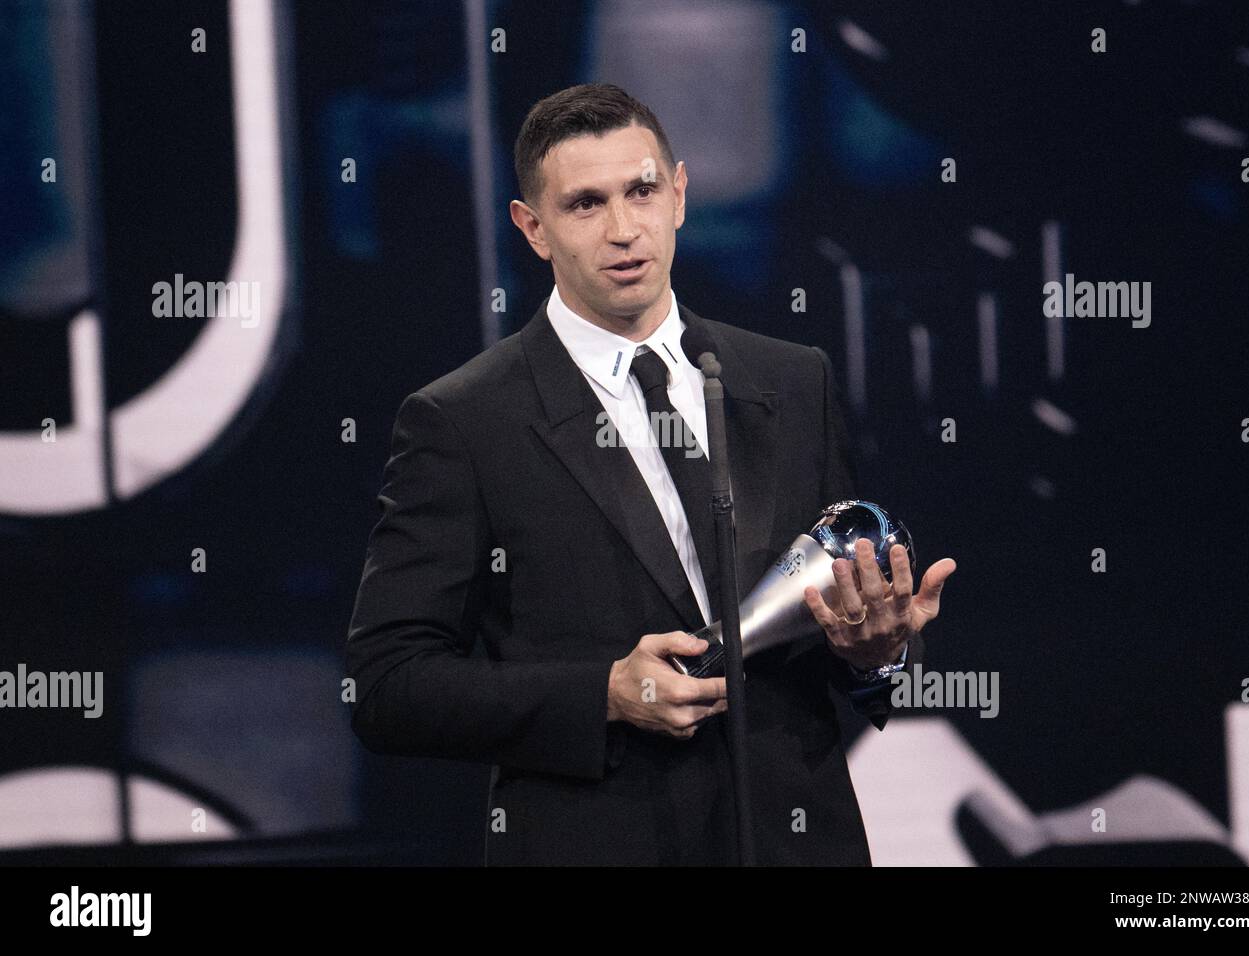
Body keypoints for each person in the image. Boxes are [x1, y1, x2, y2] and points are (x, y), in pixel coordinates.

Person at [345, 82, 956, 865]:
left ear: (679, 194)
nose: (624, 230)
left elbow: (828, 644)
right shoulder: (462, 422)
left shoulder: (794, 380)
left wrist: (874, 652)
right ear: (533, 229)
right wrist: (601, 694)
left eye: (641, 191)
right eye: (586, 204)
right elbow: (387, 686)